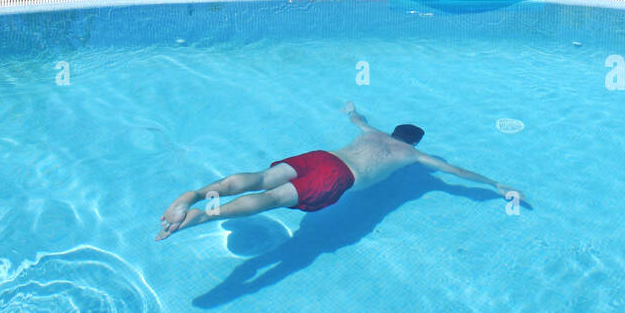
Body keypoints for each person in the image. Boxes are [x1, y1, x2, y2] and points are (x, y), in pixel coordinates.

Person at [156, 101, 529, 239]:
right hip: (336, 178)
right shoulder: (414, 157)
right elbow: (458, 174)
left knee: (258, 178)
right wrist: (497, 184)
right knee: (269, 199)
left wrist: (351, 110)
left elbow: (357, 118)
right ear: (413, 142)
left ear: (395, 131)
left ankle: (195, 194)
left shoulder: (373, 131)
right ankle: (200, 218)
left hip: (321, 158)